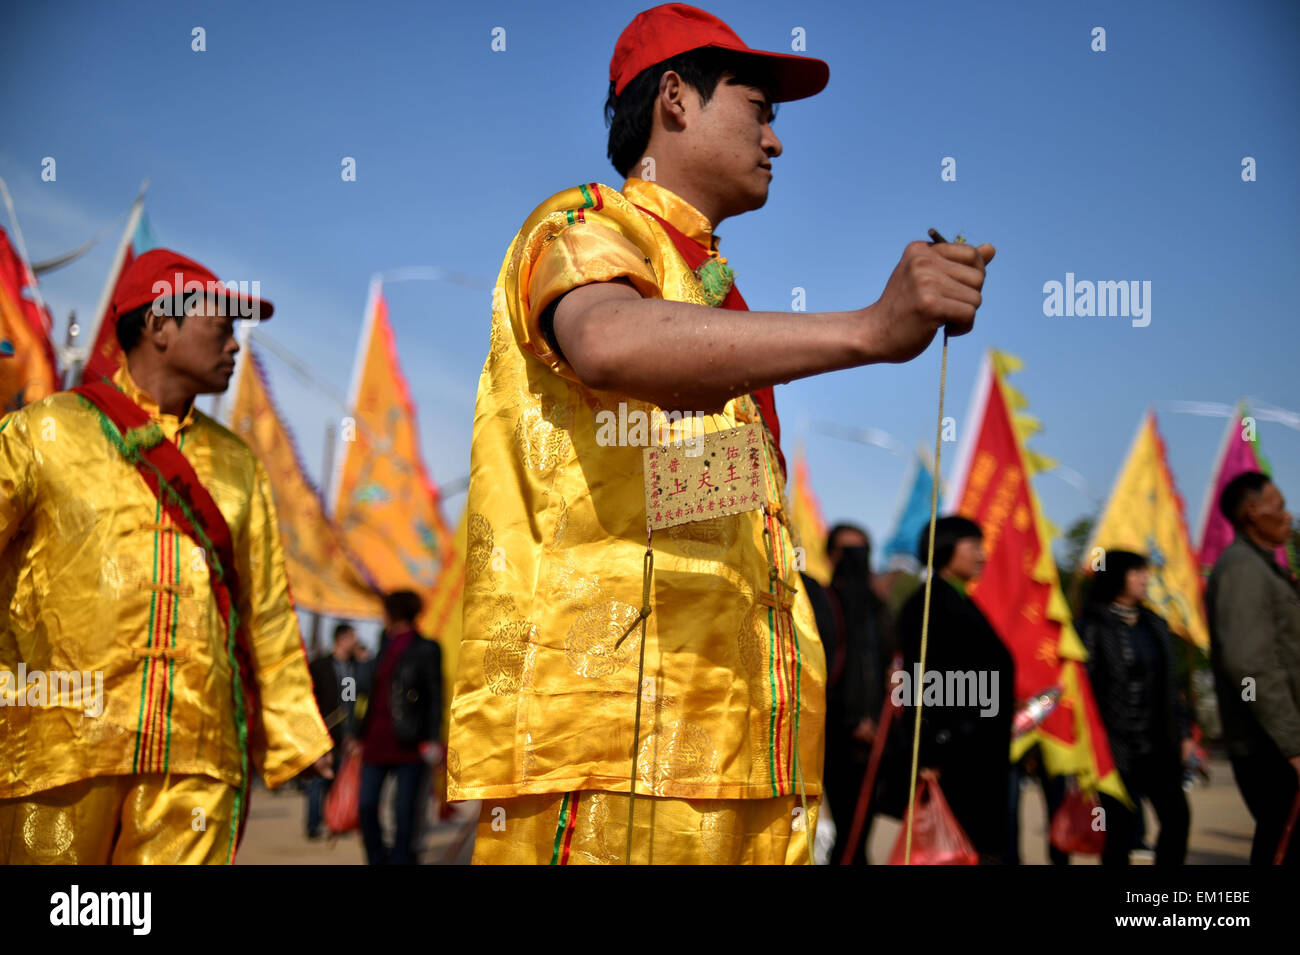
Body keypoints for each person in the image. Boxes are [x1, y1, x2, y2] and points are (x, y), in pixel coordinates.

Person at [447, 2, 994, 865]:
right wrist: (868, 331)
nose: (776, 140)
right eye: (760, 108)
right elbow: (608, 342)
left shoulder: (712, 290)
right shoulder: (584, 224)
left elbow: (692, 513)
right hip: (614, 747)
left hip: (737, 741)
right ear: (675, 98)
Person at [0, 248, 333, 864]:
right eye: (222, 326)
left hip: (197, 753)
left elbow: (264, 609)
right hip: (60, 743)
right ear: (159, 325)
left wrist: (295, 732)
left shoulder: (239, 466)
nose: (234, 345)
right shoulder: (44, 432)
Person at [895, 517, 1015, 863]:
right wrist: (928, 750)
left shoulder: (963, 601)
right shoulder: (928, 604)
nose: (982, 555)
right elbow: (919, 678)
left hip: (978, 752)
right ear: (946, 548)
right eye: (973, 545)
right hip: (953, 756)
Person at [1208, 471, 1300, 865]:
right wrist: (1293, 745)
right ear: (1251, 513)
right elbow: (1249, 666)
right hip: (1269, 746)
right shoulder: (1242, 569)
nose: (1288, 515)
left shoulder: (1262, 567)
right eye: (1278, 506)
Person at [1076, 550, 1192, 865]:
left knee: (1177, 818)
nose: (1144, 578)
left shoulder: (1154, 623)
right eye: (1136, 572)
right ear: (1116, 577)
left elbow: (1172, 685)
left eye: (1145, 572)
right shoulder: (1092, 625)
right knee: (1120, 832)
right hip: (1116, 748)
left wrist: (1184, 732)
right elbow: (1082, 690)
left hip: (1159, 745)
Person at [812, 523, 895, 864]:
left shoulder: (878, 608)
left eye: (863, 552)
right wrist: (851, 721)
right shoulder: (824, 604)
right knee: (849, 831)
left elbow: (885, 666)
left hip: (879, 735)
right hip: (838, 733)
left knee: (862, 831)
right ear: (832, 556)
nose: (857, 561)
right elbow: (824, 670)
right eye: (850, 553)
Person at [358, 591, 443, 865]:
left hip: (410, 741)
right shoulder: (383, 646)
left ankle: (401, 860)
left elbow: (435, 696)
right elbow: (368, 695)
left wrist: (433, 738)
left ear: (395, 613)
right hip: (376, 740)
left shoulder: (427, 648)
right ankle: (378, 858)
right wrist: (356, 733)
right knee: (366, 806)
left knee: (405, 810)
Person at [306, 622, 360, 838]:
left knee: (336, 778)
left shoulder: (350, 668)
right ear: (342, 638)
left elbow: (349, 701)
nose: (355, 642)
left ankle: (333, 819)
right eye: (352, 637)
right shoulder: (320, 666)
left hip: (341, 734)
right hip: (321, 730)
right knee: (317, 780)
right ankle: (313, 824)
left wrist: (350, 731)